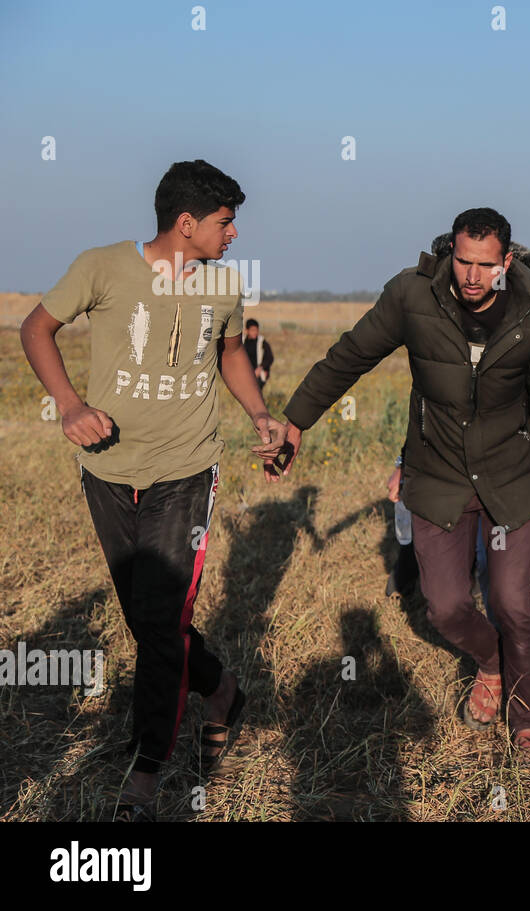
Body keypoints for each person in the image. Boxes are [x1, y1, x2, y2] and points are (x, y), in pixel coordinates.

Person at [19, 159, 285, 819]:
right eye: (225, 223)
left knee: (161, 621)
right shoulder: (101, 267)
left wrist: (259, 412)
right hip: (107, 466)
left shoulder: (224, 284)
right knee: (145, 617)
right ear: (186, 223)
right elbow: (36, 328)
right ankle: (221, 690)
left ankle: (148, 761)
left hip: (186, 466)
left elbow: (228, 353)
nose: (233, 235)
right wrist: (69, 405)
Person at [280, 208, 530, 763]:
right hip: (437, 471)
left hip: (514, 474)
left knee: (513, 602)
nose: (471, 276)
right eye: (462, 261)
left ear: (506, 262)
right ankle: (490, 662)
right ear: (451, 253)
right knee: (444, 607)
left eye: (484, 266)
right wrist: (296, 419)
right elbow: (352, 355)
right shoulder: (412, 294)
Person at [243, 318, 274, 390]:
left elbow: (269, 357)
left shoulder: (262, 341)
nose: (255, 332)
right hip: (245, 373)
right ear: (247, 330)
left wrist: (261, 368)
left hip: (258, 374)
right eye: (252, 330)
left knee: (256, 394)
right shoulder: (242, 341)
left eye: (256, 330)